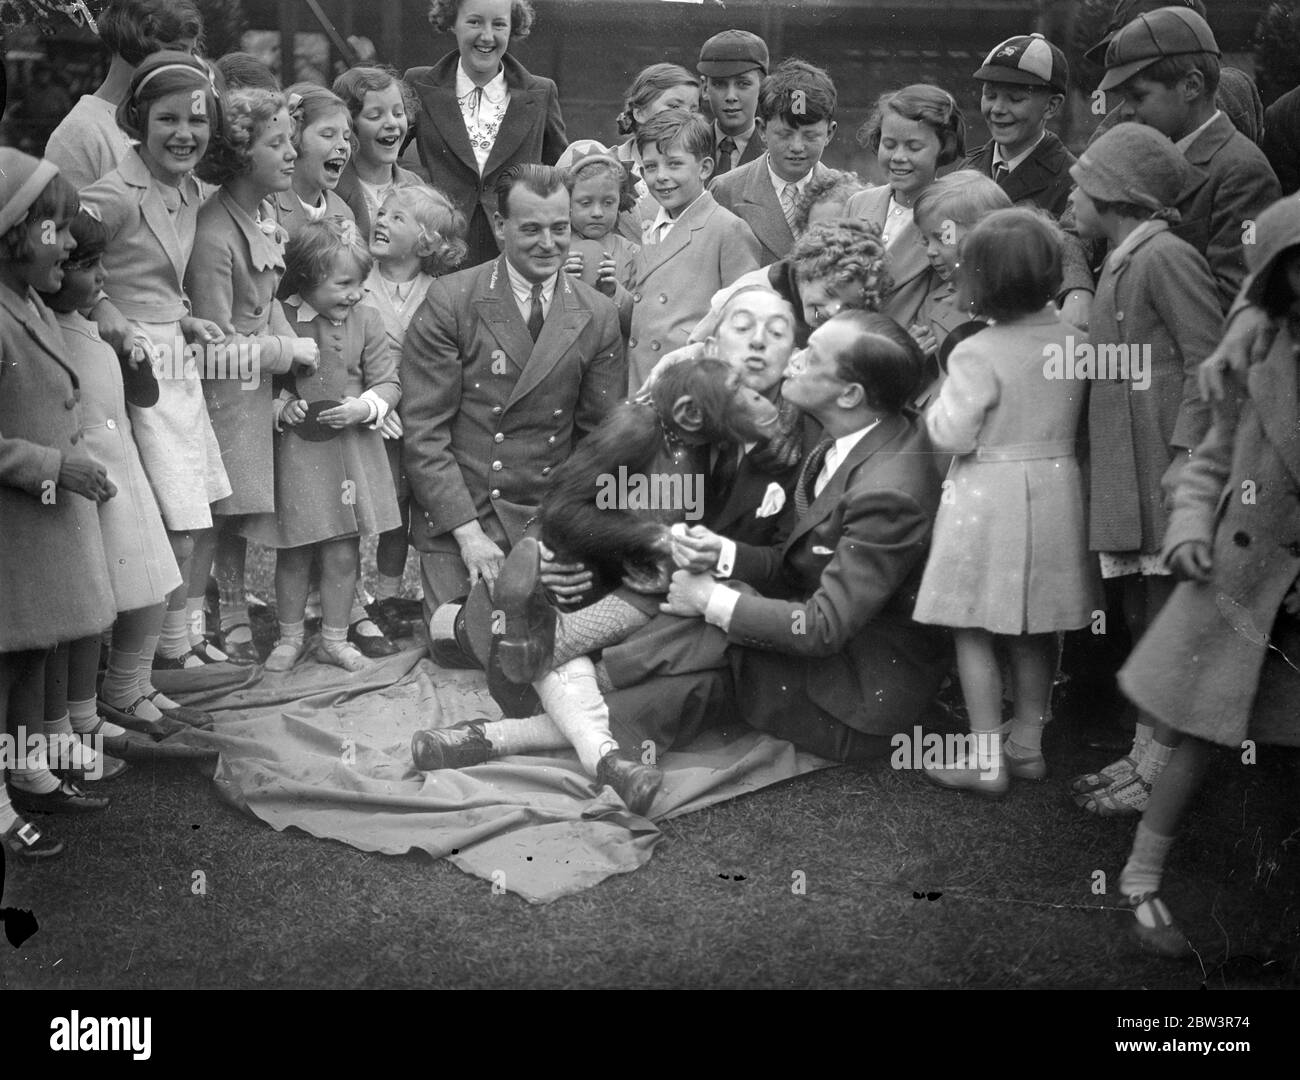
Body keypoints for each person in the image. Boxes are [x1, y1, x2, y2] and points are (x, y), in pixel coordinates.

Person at [1113, 194, 1300, 957]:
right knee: (1200, 730)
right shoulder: (1255, 355)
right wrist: (1190, 528)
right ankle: (1142, 875)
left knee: (1280, 755)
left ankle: (1261, 906)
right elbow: (1210, 461)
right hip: (1244, 577)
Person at [1065, 124, 1224, 817]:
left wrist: (1188, 458)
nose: (1071, 195)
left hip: (1160, 460)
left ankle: (1157, 768)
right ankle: (1143, 756)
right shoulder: (1125, 254)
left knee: (1164, 618)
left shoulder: (1165, 258)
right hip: (1128, 461)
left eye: (1081, 182)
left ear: (1111, 192)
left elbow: (1210, 360)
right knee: (1141, 612)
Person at [914, 208, 1094, 796]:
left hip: (987, 496)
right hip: (1056, 490)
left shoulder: (977, 352)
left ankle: (987, 759)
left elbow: (954, 434)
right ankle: (1027, 748)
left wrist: (934, 403)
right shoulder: (1076, 342)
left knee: (972, 628)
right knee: (1035, 629)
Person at [401, 163, 624, 626]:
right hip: (467, 514)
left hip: (547, 515)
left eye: (559, 228)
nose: (548, 243)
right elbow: (425, 433)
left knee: (554, 638)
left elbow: (598, 444)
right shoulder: (452, 299)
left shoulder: (599, 315)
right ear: (500, 228)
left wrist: (565, 534)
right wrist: (467, 536)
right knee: (461, 642)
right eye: (531, 229)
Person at [80, 51, 234, 675]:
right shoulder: (114, 192)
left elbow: (161, 271)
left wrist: (184, 314)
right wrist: (100, 302)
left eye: (197, 122)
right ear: (137, 120)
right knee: (164, 515)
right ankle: (134, 670)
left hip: (173, 352)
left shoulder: (191, 189)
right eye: (167, 119)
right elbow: (65, 254)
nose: (184, 134)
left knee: (192, 507)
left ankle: (174, 642)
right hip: (129, 361)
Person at [0, 152, 118, 857]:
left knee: (32, 654)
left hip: (35, 524)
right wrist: (53, 464)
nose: (70, 245)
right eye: (56, 228)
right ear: (14, 231)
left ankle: (25, 768)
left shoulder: (25, 300)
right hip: (12, 527)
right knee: (4, 663)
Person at [184, 88, 321, 666]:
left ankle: (233, 610)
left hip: (250, 395)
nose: (292, 153)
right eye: (277, 142)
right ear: (241, 153)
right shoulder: (216, 233)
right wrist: (286, 351)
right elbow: (212, 349)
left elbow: (263, 307)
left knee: (235, 514)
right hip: (221, 396)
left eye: (291, 139)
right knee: (207, 519)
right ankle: (187, 633)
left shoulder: (260, 215)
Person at [243, 217, 402, 673]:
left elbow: (388, 382)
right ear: (309, 279)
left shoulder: (367, 320)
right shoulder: (282, 318)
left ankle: (335, 637)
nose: (355, 293)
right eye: (344, 284)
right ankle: (291, 636)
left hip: (350, 453)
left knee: (341, 550)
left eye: (360, 283)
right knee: (294, 549)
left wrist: (366, 407)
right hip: (299, 456)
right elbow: (262, 382)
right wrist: (281, 406)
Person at [1058, 5, 1281, 326]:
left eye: (1137, 96)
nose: (1124, 112)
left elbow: (1235, 296)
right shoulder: (1130, 138)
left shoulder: (1242, 173)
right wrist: (1078, 290)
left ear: (1191, 86)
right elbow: (1072, 225)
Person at [359, 185, 468, 641]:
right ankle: (345, 603)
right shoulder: (356, 281)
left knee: (402, 513)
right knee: (358, 510)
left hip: (418, 420)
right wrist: (374, 403)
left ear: (426, 242)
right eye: (381, 212)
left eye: (397, 217)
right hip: (366, 418)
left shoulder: (440, 293)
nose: (382, 221)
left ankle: (385, 597)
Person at [402, 0, 567, 270]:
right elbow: (382, 160)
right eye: (475, 22)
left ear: (513, 27)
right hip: (439, 248)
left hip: (515, 253)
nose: (487, 36)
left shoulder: (541, 92)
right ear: (452, 22)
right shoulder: (419, 83)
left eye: (499, 24)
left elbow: (560, 174)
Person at [626, 111, 760, 391]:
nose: (661, 177)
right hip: (642, 382)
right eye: (650, 167)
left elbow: (742, 321)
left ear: (704, 168)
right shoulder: (648, 226)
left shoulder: (728, 229)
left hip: (691, 385)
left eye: (675, 164)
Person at [44, 0, 203, 191]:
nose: (189, 64)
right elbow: (70, 219)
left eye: (191, 52)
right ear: (134, 42)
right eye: (176, 50)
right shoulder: (79, 133)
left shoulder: (167, 122)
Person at [846, 85, 966, 328]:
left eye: (914, 147)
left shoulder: (950, 218)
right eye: (889, 145)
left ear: (943, 147)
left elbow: (953, 294)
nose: (898, 157)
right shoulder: (859, 203)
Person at [710, 59, 838, 266]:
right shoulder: (727, 190)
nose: (797, 146)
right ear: (762, 130)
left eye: (810, 136)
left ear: (829, 133)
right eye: (784, 134)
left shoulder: (848, 195)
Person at [909, 170, 1012, 396]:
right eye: (926, 241)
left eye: (942, 238)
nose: (931, 252)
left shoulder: (1019, 298)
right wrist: (911, 359)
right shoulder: (933, 305)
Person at [962, 32, 1075, 218]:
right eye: (990, 96)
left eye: (1015, 99)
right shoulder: (968, 168)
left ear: (1051, 106)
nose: (997, 109)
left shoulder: (1071, 182)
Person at [332, 66, 426, 242]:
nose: (392, 123)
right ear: (348, 126)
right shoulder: (332, 186)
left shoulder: (416, 185)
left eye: (399, 113)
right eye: (375, 116)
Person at [557, 149, 640, 339]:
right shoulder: (554, 249)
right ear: (567, 202)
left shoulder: (633, 254)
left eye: (608, 202)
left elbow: (641, 323)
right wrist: (560, 285)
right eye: (585, 203)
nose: (597, 212)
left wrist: (614, 292)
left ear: (620, 202)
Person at [273, 85, 355, 246]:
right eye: (328, 135)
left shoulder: (344, 215)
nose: (342, 146)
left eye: (346, 138)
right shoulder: (266, 204)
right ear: (292, 137)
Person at [613, 63, 702, 210]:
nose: (686, 116)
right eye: (674, 106)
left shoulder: (699, 168)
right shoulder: (608, 164)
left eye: (693, 110)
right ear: (639, 113)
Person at [697, 29, 768, 179]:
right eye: (719, 84)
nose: (731, 96)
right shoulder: (690, 147)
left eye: (743, 84)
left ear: (763, 88)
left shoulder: (775, 154)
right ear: (704, 88)